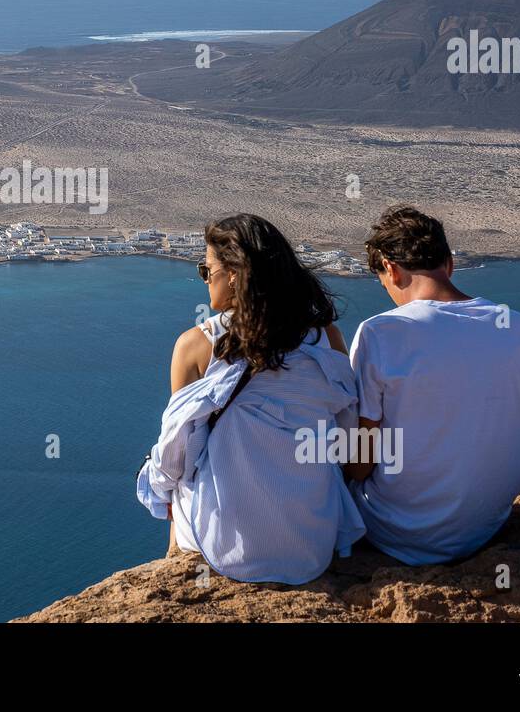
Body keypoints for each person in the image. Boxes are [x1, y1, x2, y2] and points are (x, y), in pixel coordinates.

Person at [136, 213, 366, 584]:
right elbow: (346, 440)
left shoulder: (196, 346)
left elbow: (174, 458)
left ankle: (175, 559)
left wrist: (150, 479)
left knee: (170, 469)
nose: (204, 278)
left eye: (206, 269)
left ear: (233, 274)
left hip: (229, 550)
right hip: (311, 544)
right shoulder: (327, 338)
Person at [347, 205, 520, 565]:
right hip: (488, 525)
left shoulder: (381, 332)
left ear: (391, 270)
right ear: (450, 263)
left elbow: (361, 461)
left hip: (399, 533)